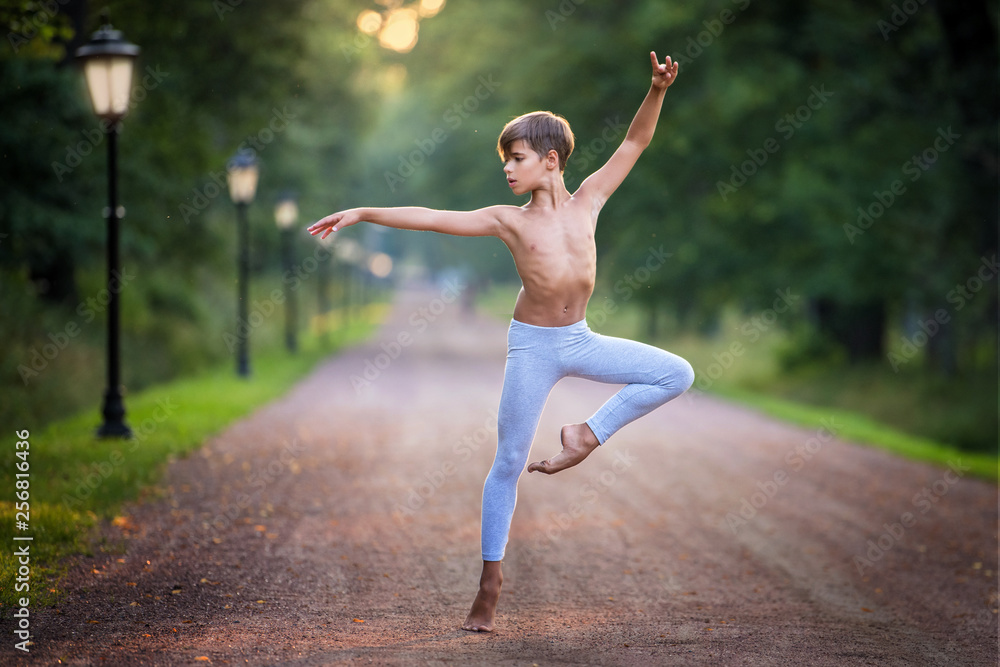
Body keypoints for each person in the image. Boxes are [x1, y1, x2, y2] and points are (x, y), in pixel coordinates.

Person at [308, 51, 694, 633]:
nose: (508, 170)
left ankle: (587, 434)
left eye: (516, 159)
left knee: (677, 373)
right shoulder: (506, 220)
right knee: (508, 460)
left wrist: (657, 91)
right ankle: (489, 584)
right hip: (534, 346)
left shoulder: (590, 200)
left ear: (552, 160)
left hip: (580, 339)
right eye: (506, 161)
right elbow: (433, 217)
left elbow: (635, 143)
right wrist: (363, 211)